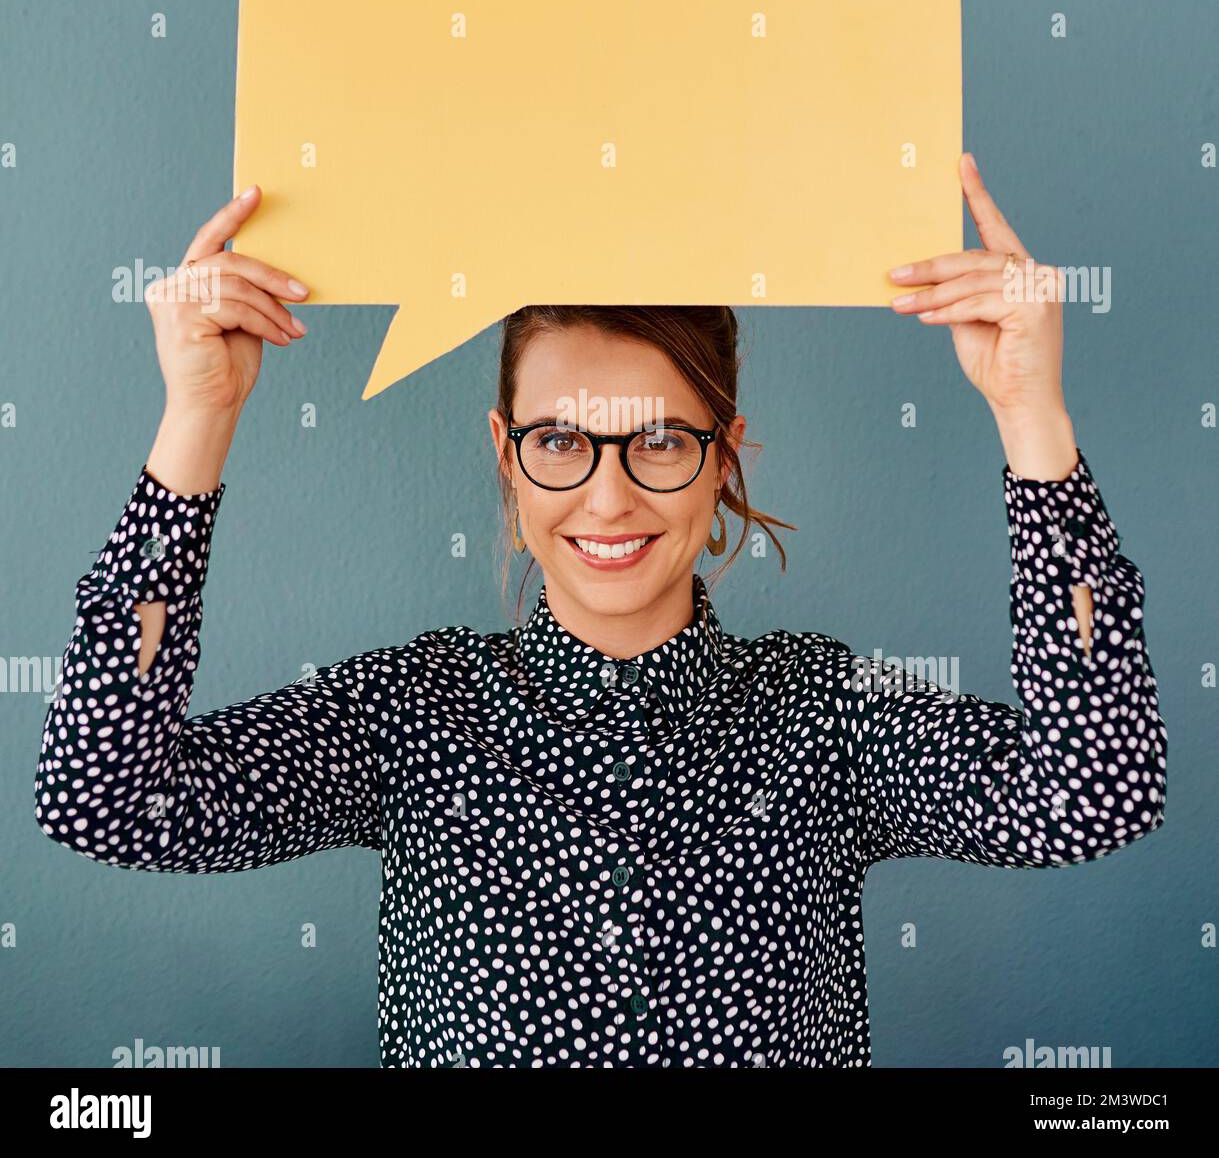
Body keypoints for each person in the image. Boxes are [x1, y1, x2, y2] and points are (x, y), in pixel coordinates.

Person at [34, 155, 1167, 1067]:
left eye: (662, 440)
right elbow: (110, 800)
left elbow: (1089, 792)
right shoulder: (413, 711)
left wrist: (1031, 413)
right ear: (505, 457)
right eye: (562, 441)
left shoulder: (822, 713)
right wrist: (199, 420)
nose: (609, 494)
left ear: (725, 456)